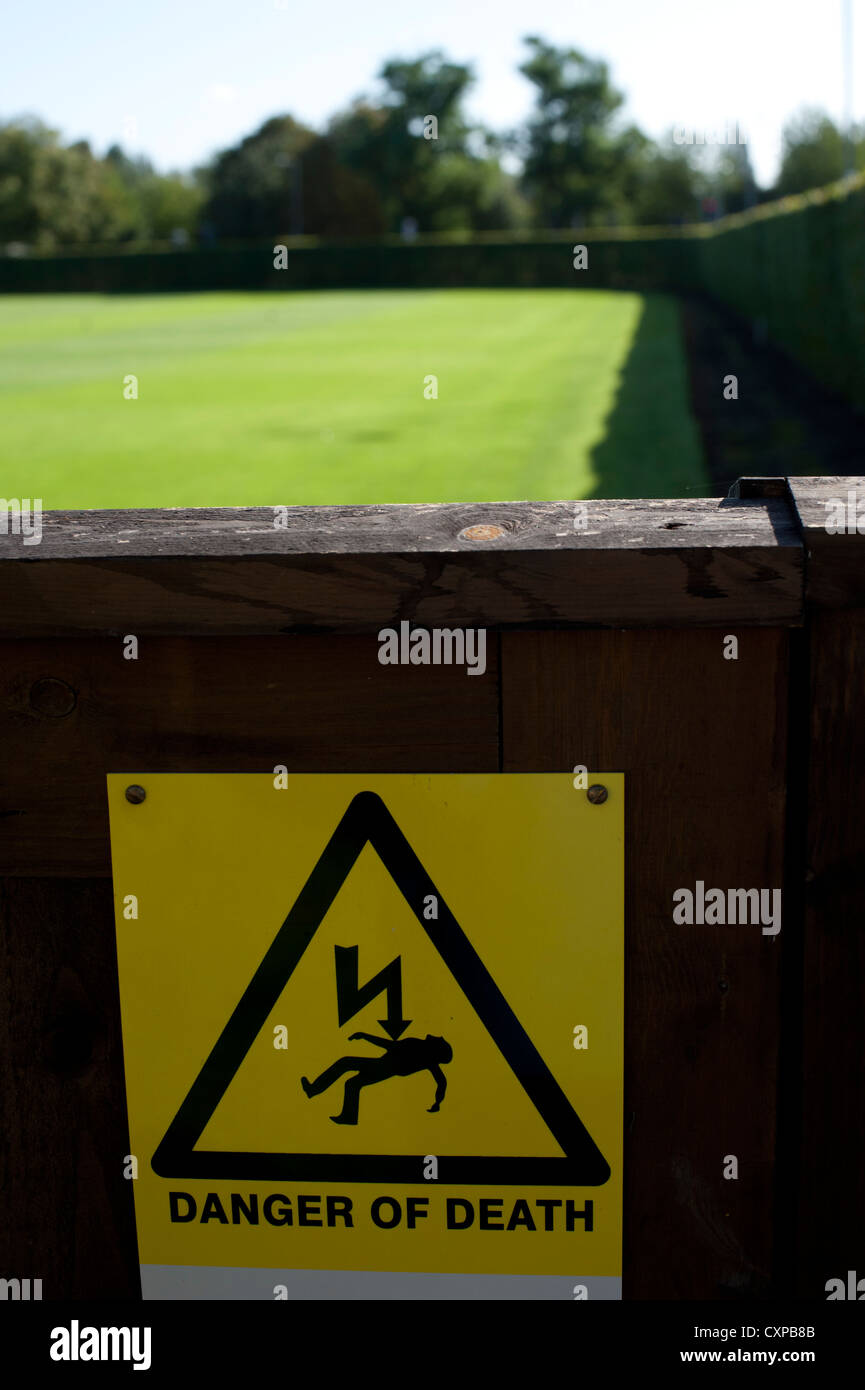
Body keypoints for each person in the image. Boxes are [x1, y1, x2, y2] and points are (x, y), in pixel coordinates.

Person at [301, 1032, 453, 1125]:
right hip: (384, 1068)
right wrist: (438, 1102)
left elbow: (388, 1045)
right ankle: (348, 1117)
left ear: (437, 1049)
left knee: (346, 1064)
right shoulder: (426, 1056)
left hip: (383, 1067)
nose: (437, 1036)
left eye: (440, 1040)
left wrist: (364, 1036)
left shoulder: (420, 1050)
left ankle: (315, 1090)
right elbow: (442, 1081)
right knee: (352, 1083)